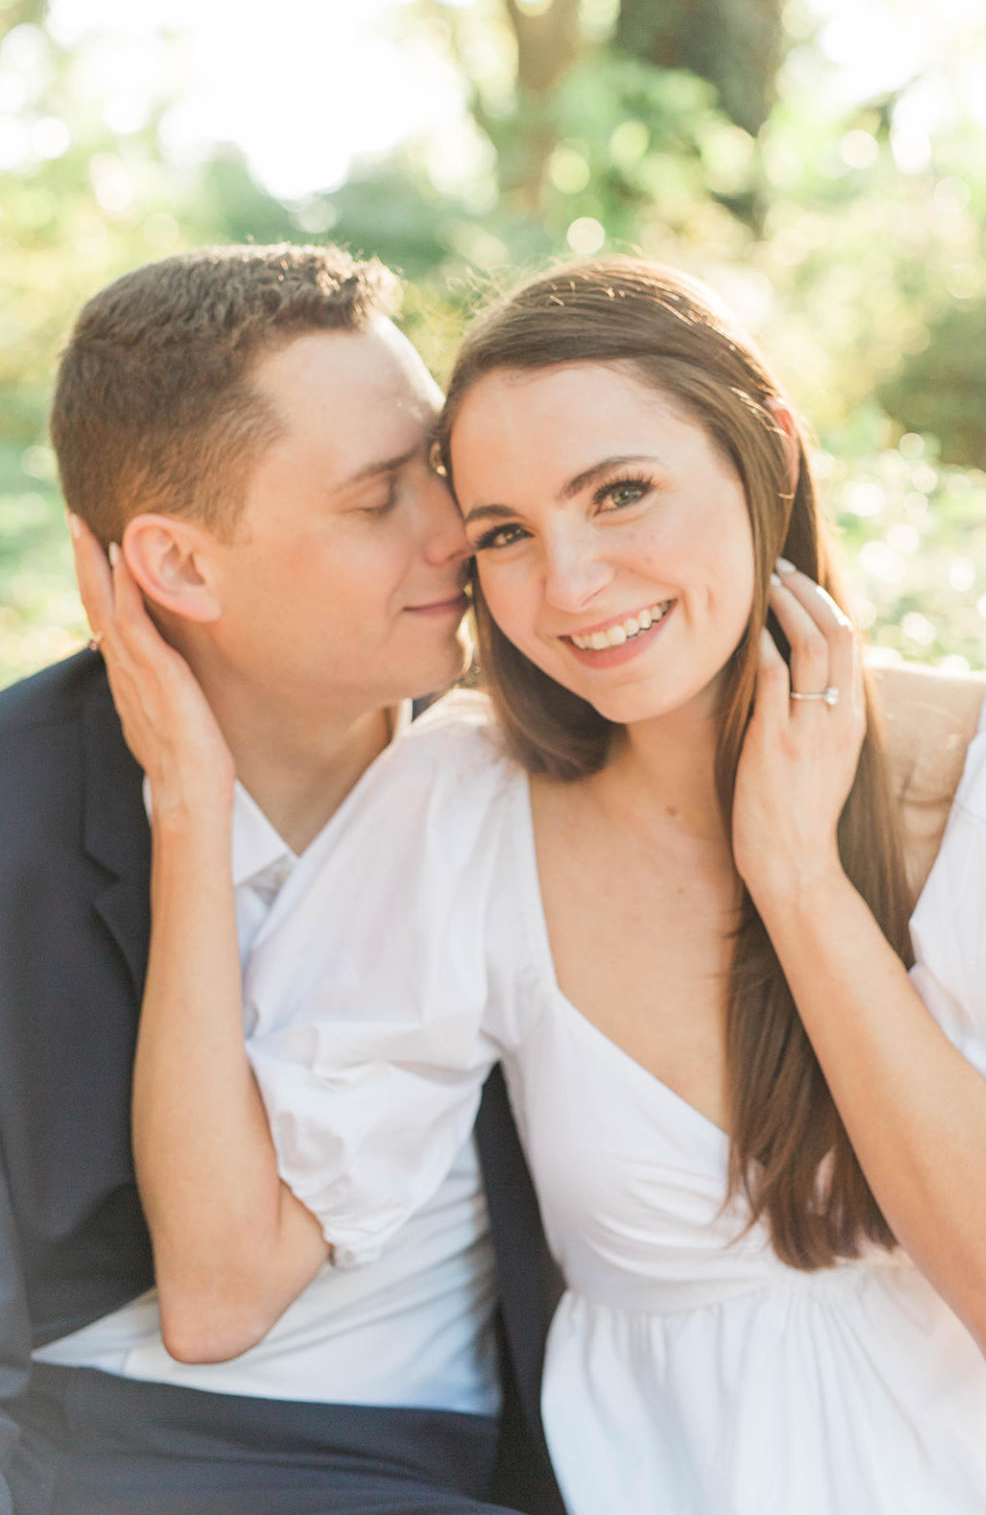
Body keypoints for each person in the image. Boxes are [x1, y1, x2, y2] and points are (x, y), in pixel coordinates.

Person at [73, 256, 986, 1515]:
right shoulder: (468, 803)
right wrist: (187, 801)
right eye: (506, 534)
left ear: (769, 454)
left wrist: (796, 881)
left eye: (621, 493)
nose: (570, 587)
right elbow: (218, 1293)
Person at [0, 243, 566, 1515]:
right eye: (378, 501)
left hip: (500, 1464)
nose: (454, 533)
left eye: (438, 465)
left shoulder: (536, 750)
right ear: (181, 567)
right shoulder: (15, 819)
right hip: (120, 1463)